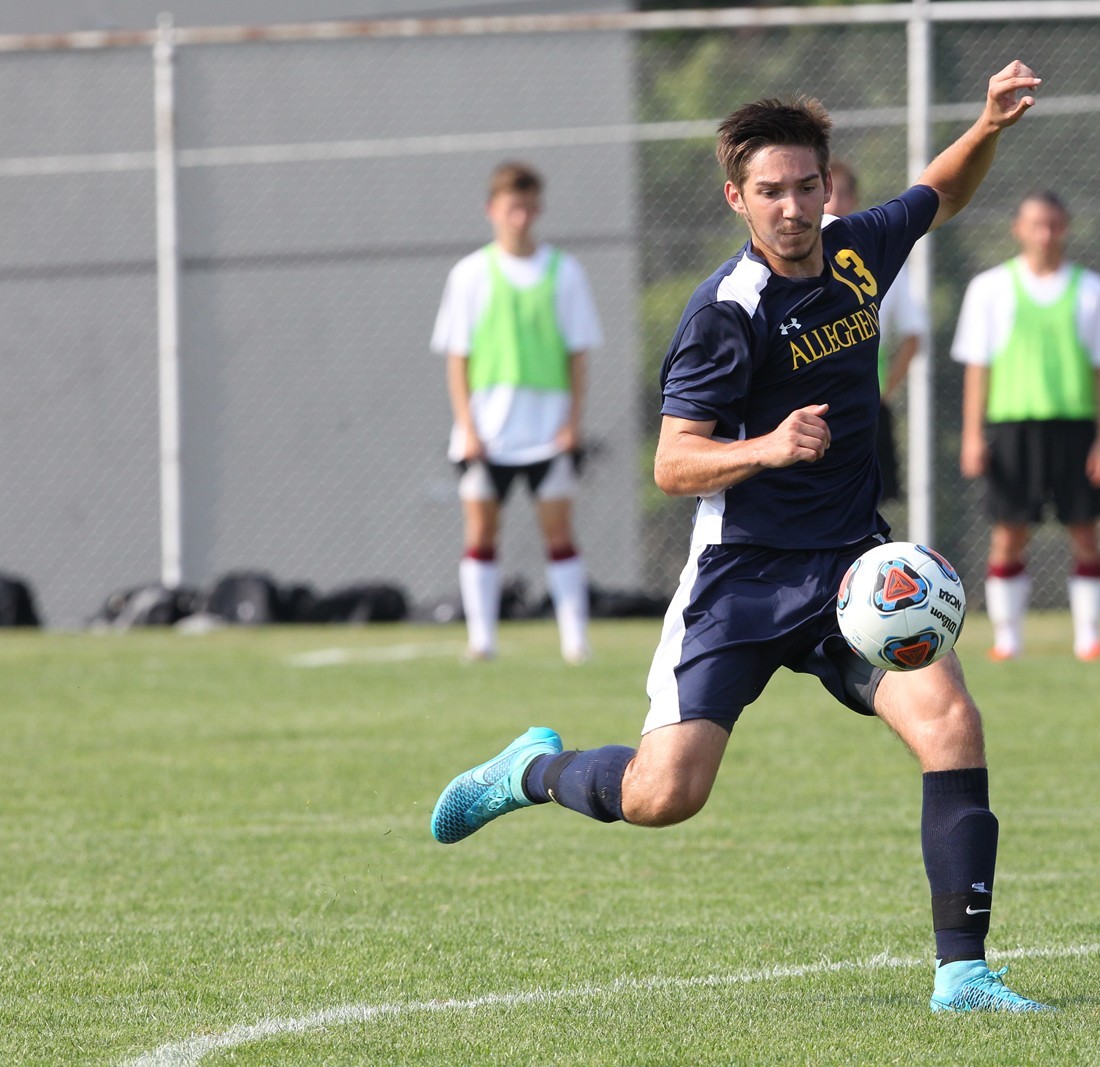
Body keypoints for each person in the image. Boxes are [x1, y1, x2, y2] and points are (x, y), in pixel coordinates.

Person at [431, 61, 1056, 1015]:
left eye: (807, 186)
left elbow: (939, 192)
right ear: (738, 198)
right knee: (665, 794)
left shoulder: (856, 254)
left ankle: (962, 973)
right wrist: (767, 445)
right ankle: (531, 769)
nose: (793, 207)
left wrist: (987, 128)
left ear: (826, 184)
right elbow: (671, 463)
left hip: (853, 575)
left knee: (951, 723)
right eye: (771, 191)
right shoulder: (726, 312)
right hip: (741, 582)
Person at [430, 161, 602, 664]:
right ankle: (481, 640)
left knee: (559, 533)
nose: (521, 218)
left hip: (548, 434)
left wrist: (571, 424)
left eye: (528, 208)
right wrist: (467, 428)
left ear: (538, 209)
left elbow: (578, 355)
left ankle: (575, 641)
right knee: (481, 532)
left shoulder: (565, 271)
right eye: (512, 208)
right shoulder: (469, 274)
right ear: (492, 210)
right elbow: (457, 358)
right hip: (487, 435)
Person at [952, 190, 1100, 663]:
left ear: (1065, 228)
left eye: (1053, 224)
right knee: (1008, 534)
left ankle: (1089, 638)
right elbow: (977, 368)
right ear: (1018, 228)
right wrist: (972, 435)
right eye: (1036, 224)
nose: (1045, 234)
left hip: (1075, 428)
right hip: (1012, 428)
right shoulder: (990, 288)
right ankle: (1007, 640)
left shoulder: (1093, 291)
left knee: (1085, 533)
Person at [824, 160, 930, 503]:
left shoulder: (878, 261)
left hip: (865, 408)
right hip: (813, 411)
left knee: (869, 504)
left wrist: (882, 391)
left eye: (841, 194)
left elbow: (914, 335)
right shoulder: (786, 262)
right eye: (825, 193)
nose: (833, 203)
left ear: (854, 200)